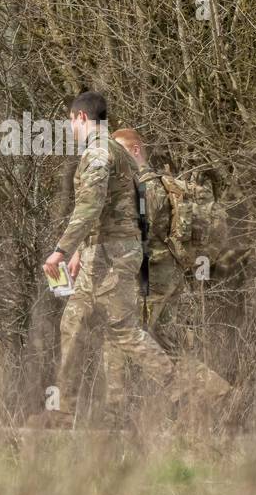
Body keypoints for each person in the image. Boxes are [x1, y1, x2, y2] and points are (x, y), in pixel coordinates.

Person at [39, 92, 177, 427]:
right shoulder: (113, 150)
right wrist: (83, 251)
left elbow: (91, 206)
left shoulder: (99, 151)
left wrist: (63, 249)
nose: (71, 128)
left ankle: (186, 390)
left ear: (82, 118)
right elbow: (108, 209)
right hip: (103, 252)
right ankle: (64, 410)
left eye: (71, 121)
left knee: (123, 332)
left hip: (111, 256)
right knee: (72, 323)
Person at [109, 128, 231, 404]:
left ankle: (120, 409)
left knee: (128, 336)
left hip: (152, 277)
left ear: (136, 151)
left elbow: (137, 239)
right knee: (163, 343)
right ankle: (218, 394)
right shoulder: (162, 184)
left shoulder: (145, 189)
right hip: (170, 274)